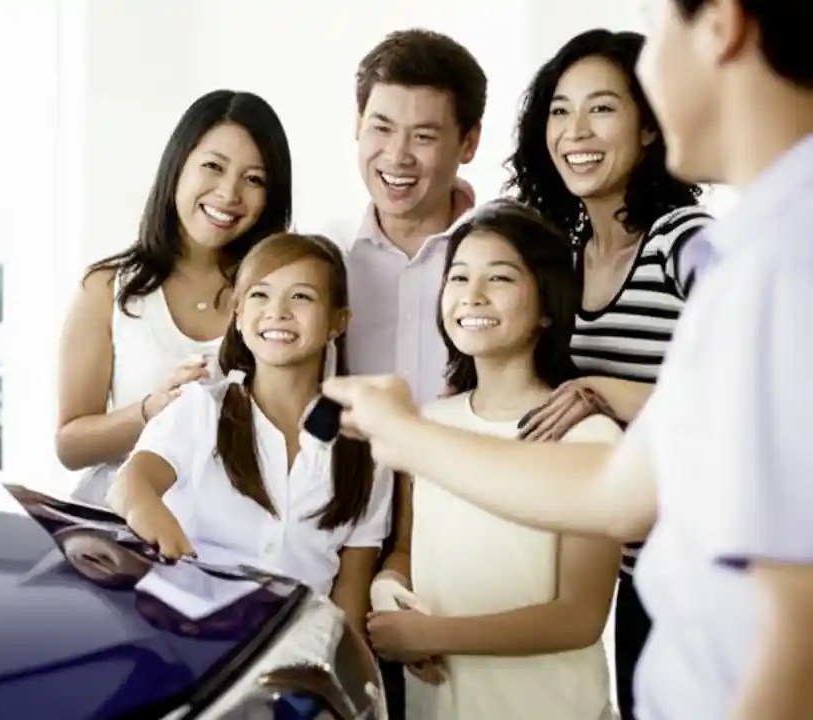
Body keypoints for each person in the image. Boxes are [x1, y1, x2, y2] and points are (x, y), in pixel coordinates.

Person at [323, 2, 813, 717]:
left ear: (721, 25)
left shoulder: (776, 261)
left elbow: (792, 622)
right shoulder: (753, 248)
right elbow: (622, 489)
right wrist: (410, 435)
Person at [502, 28, 712, 717]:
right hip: (622, 570)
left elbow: (752, 397)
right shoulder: (563, 253)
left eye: (602, 108)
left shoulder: (686, 240)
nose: (575, 131)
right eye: (560, 110)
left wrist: (605, 392)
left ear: (650, 126)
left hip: (703, 572)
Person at [370, 199, 622, 719]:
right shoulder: (428, 424)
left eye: (500, 279)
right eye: (458, 278)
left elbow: (580, 617)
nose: (472, 296)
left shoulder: (588, 437)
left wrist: (433, 635)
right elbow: (405, 552)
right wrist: (387, 588)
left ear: (548, 304)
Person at [319, 31, 488, 716]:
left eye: (423, 136)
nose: (396, 156)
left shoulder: (500, 257)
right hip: (348, 525)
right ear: (356, 128)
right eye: (380, 128)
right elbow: (306, 396)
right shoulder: (324, 255)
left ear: (467, 143)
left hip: (472, 516)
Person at [106, 232, 391, 634]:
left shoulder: (367, 443)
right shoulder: (201, 408)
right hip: (185, 639)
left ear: (337, 322)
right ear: (238, 316)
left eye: (302, 297)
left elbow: (350, 596)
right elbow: (130, 485)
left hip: (295, 656)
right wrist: (157, 523)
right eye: (260, 295)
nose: (277, 312)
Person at [57, 90, 293, 504]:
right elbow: (70, 445)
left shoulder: (281, 298)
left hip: (232, 539)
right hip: (119, 533)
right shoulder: (107, 289)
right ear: (177, 167)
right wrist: (153, 410)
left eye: (254, 179)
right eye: (213, 167)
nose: (229, 193)